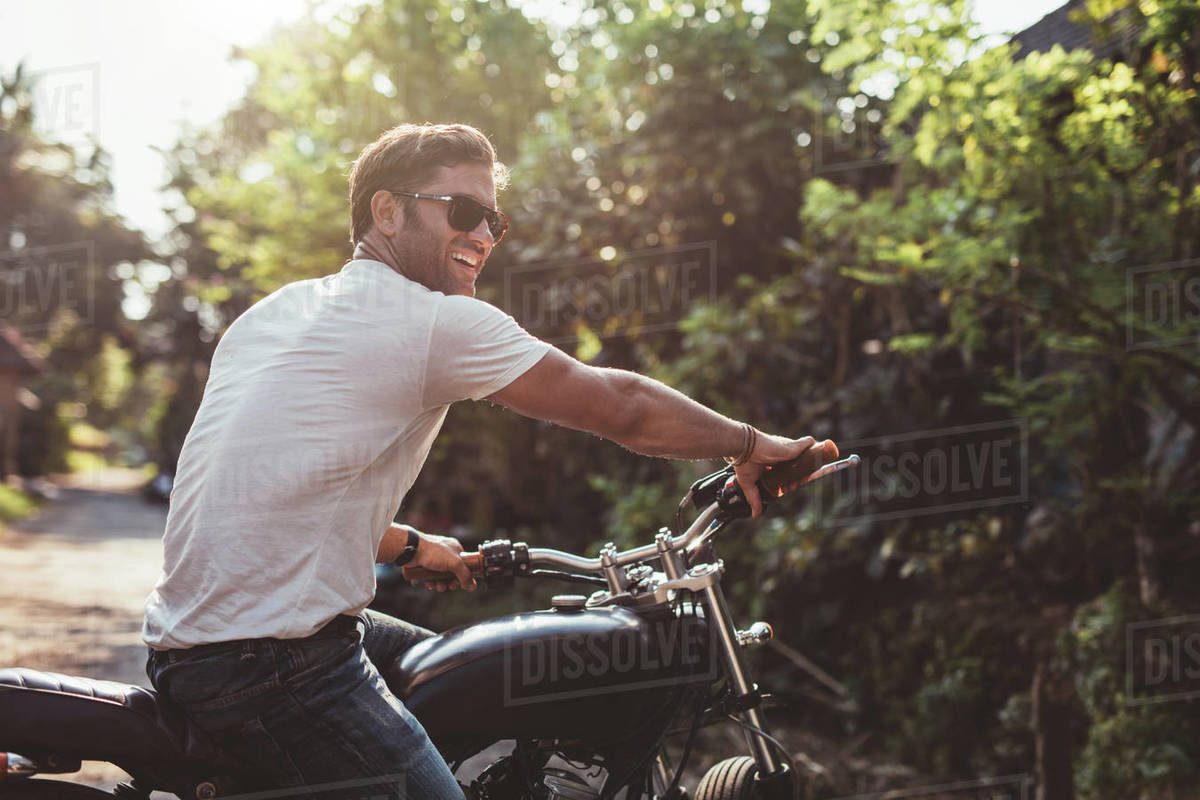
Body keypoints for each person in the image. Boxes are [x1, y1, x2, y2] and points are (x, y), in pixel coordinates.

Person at [142, 122, 819, 798]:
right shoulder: (431, 321)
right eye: (464, 211)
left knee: (459, 677)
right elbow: (622, 407)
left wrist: (410, 546)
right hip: (272, 663)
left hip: (200, 645)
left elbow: (272, 495)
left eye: (495, 221)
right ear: (387, 211)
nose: (484, 236)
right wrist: (752, 445)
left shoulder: (274, 314)